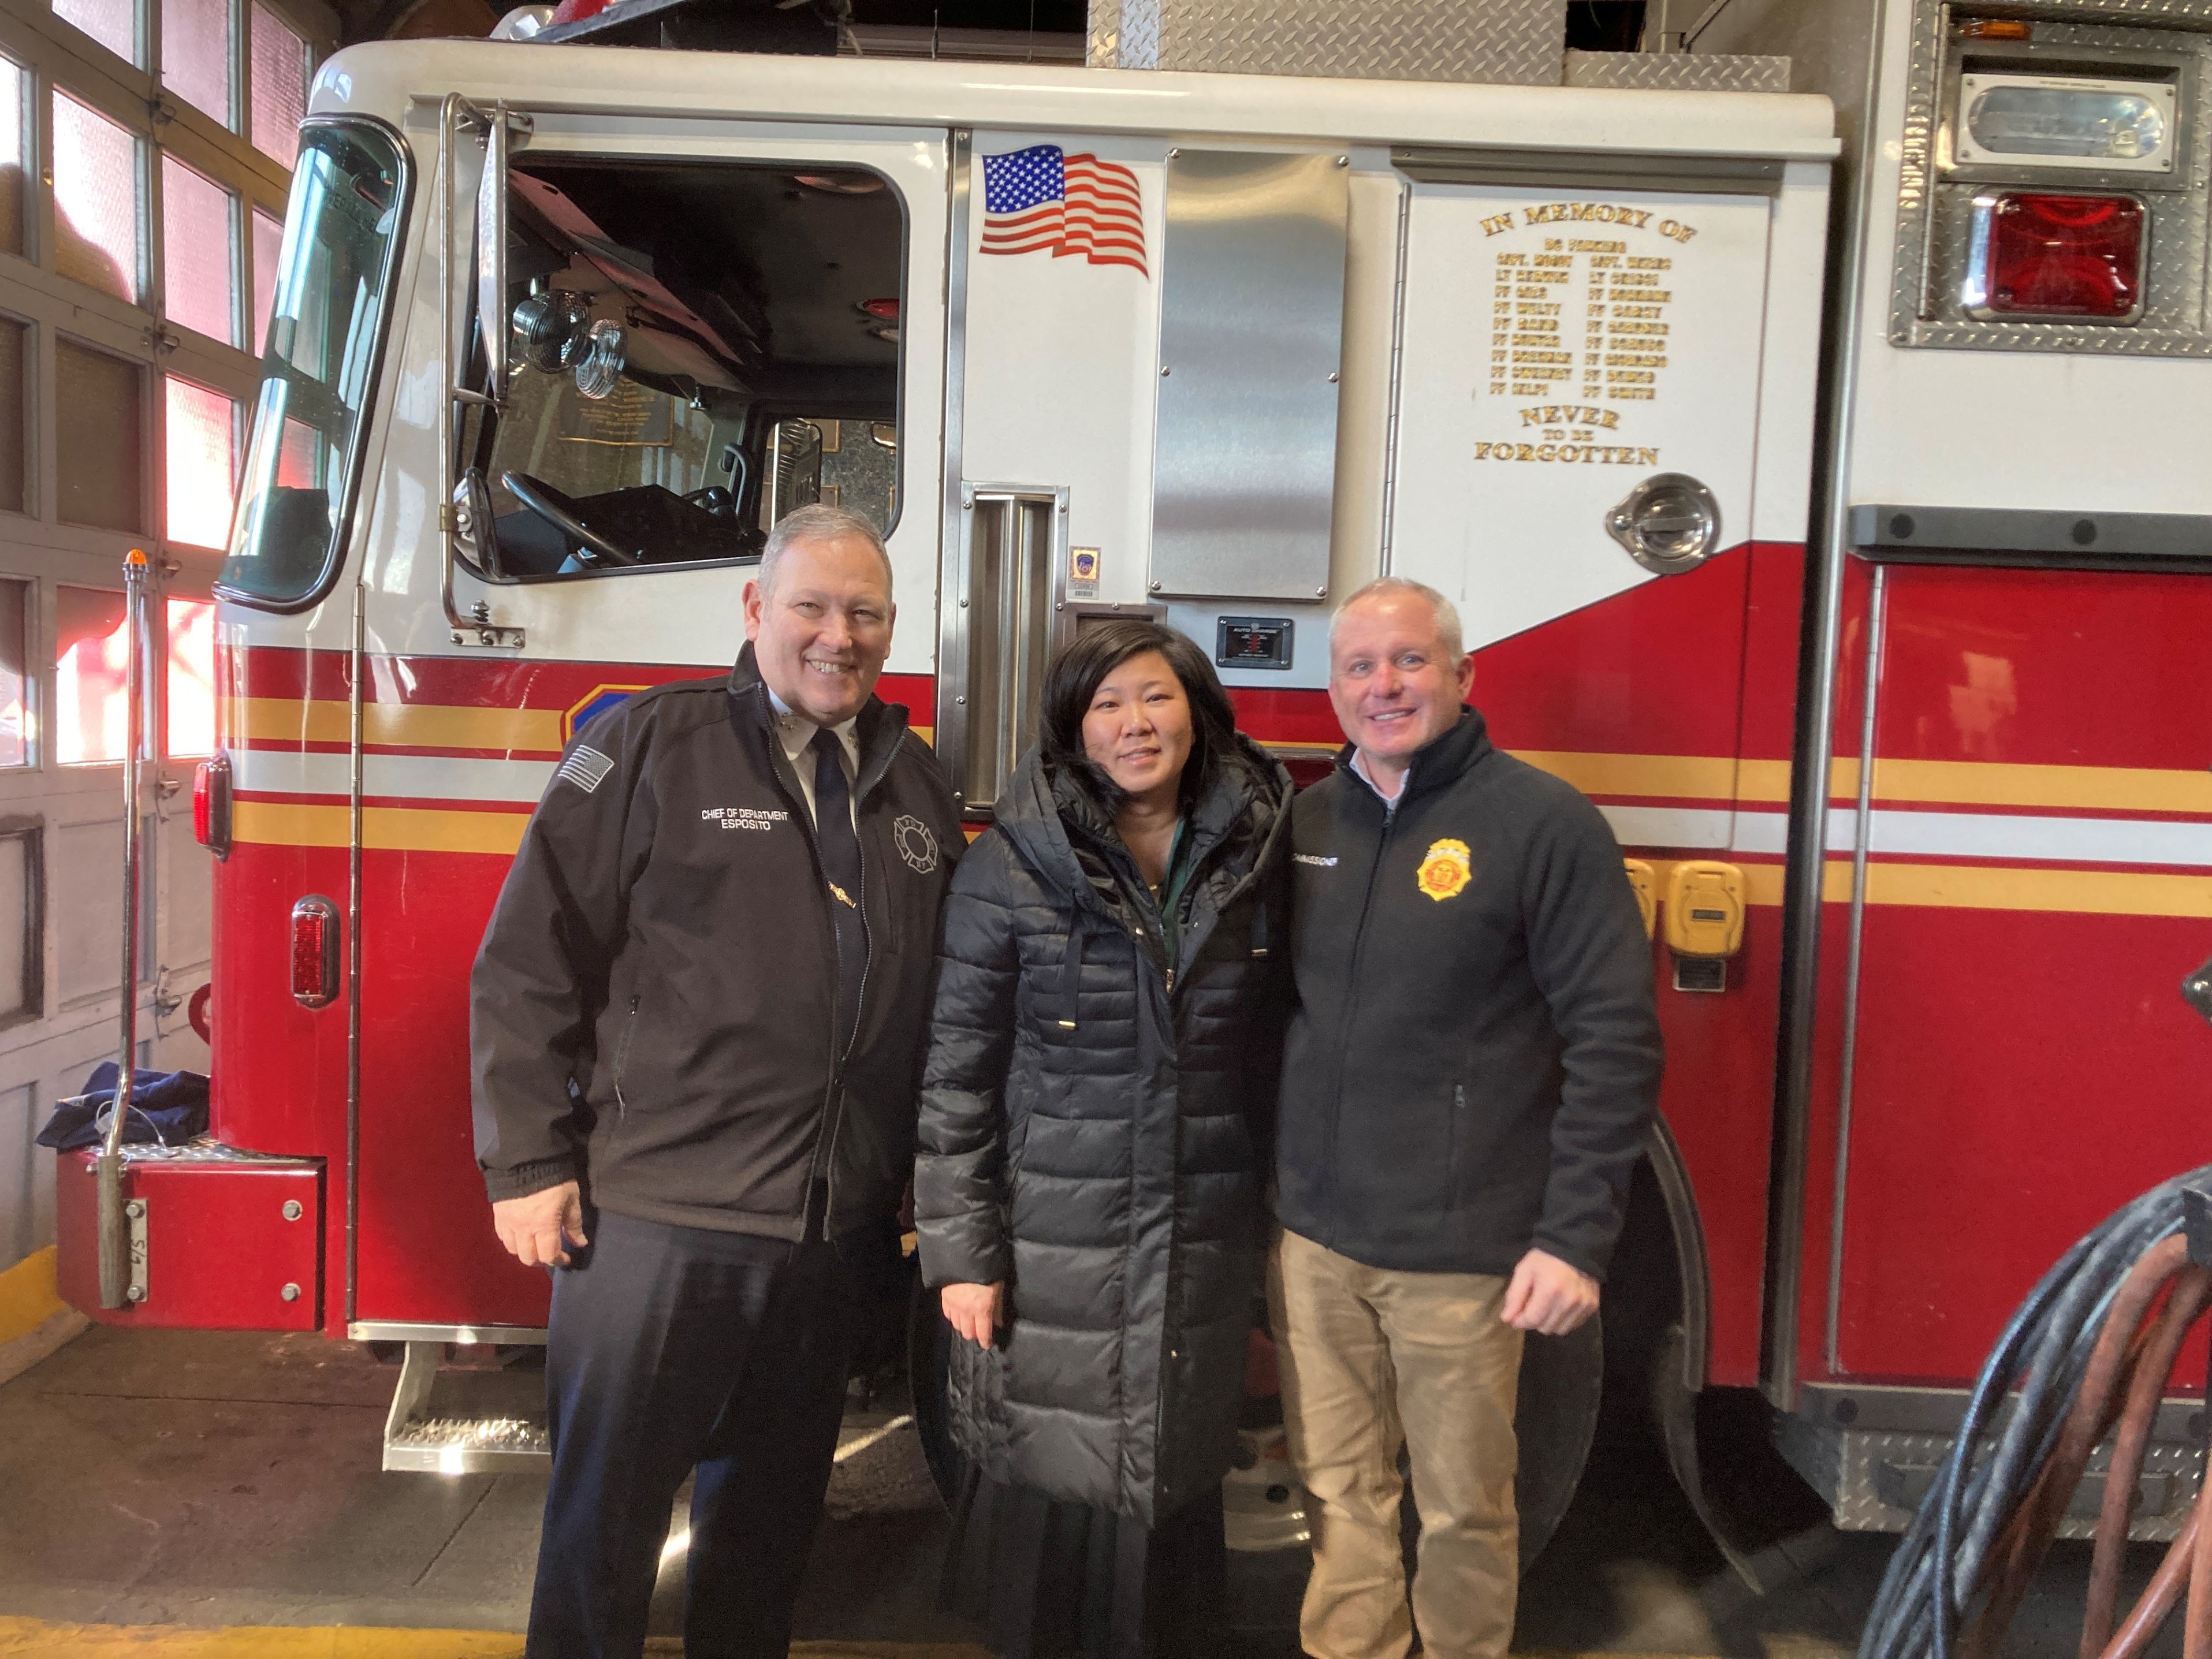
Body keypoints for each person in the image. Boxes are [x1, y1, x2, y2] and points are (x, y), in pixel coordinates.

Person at [470, 504, 963, 1659]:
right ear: (754, 611)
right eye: (812, 607)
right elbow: (528, 958)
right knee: (604, 1536)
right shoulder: (653, 743)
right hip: (657, 1224)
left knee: (769, 1537)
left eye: (865, 614)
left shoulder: (913, 785)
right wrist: (531, 1160)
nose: (838, 636)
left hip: (825, 1239)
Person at [1269, 577, 1663, 1659]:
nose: (1383, 685)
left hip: (1459, 1258)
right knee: (1340, 1498)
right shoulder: (1305, 823)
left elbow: (1614, 1044)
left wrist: (1575, 1237)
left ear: (1461, 674)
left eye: (1408, 661)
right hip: (1312, 1247)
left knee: (1465, 1514)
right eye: (1359, 666)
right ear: (1333, 687)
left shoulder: (1543, 825)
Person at [915, 619, 1294, 1659]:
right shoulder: (1011, 871)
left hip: (1194, 1249)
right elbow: (957, 1073)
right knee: (1054, 1520)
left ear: (1199, 712)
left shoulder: (1257, 857)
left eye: (1157, 697)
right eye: (1108, 704)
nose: (1136, 723)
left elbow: (1272, 1061)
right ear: (1074, 731)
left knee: (1170, 1505)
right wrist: (961, 1256)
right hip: (1049, 1261)